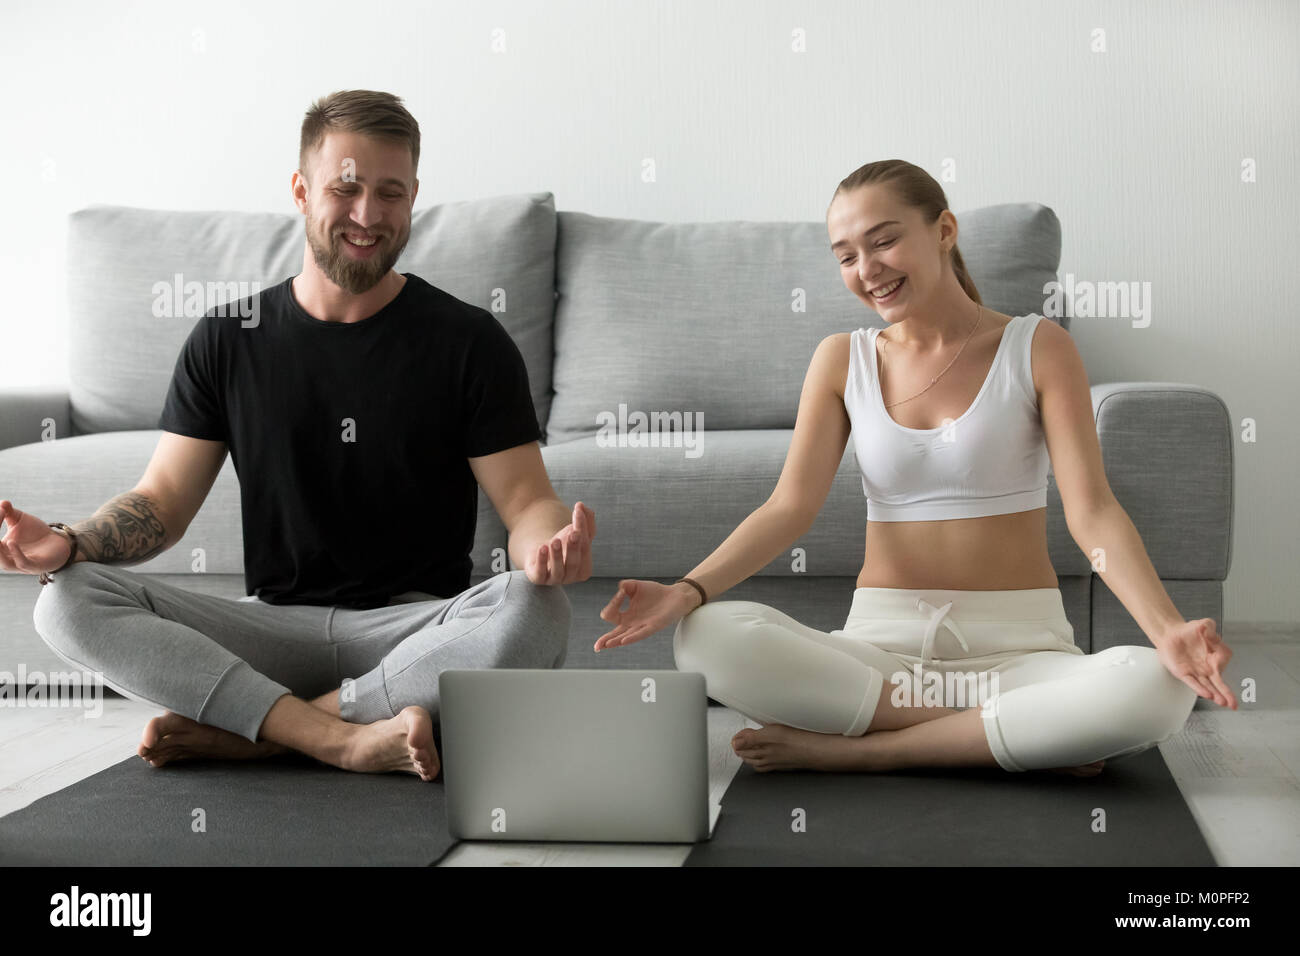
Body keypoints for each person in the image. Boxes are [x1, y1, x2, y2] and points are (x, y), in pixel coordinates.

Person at [0, 90, 594, 783]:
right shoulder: (226, 339)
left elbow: (527, 505)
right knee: (64, 600)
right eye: (346, 189)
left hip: (414, 631)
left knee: (537, 608)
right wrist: (70, 542)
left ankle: (264, 735)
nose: (368, 216)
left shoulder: (469, 341)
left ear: (413, 199)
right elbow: (160, 503)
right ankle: (341, 736)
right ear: (301, 190)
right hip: (270, 631)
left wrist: (548, 547)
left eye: (390, 193)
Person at [595, 159, 1235, 776]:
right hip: (881, 654)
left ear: (945, 231)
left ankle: (867, 751)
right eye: (846, 256)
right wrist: (687, 591)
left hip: (1022, 650)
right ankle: (1001, 736)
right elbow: (788, 508)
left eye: (883, 242)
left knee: (1157, 688)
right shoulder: (840, 359)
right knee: (705, 639)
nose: (867, 270)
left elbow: (1092, 509)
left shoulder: (1037, 346)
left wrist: (1169, 629)